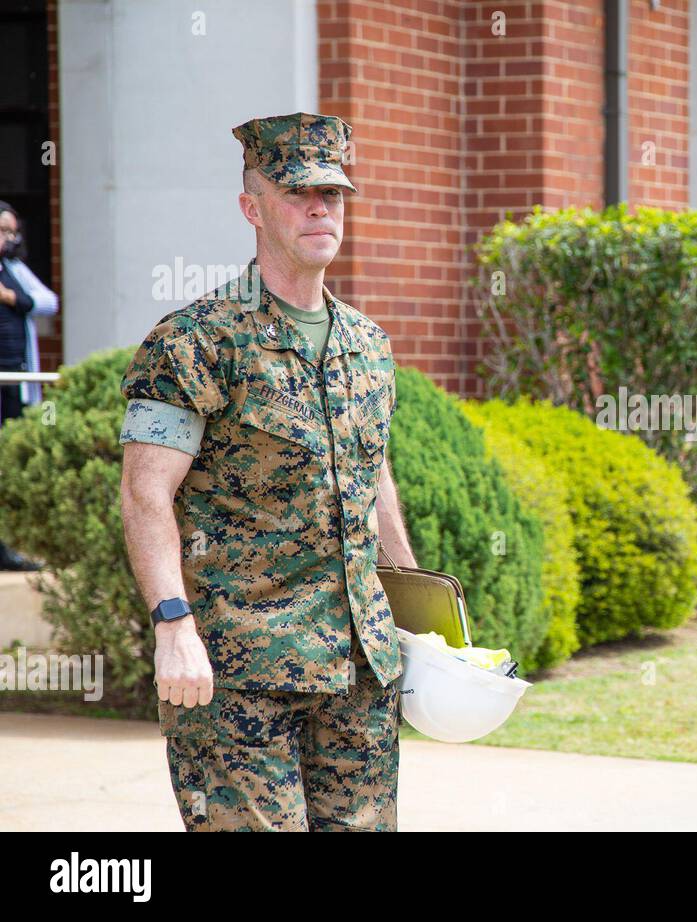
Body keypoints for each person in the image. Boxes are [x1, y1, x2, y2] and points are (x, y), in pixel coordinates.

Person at [118, 112, 418, 831]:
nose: (321, 207)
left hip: (358, 674)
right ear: (251, 206)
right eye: (297, 192)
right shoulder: (194, 342)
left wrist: (416, 620)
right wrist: (172, 626)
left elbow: (374, 480)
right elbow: (144, 491)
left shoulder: (367, 346)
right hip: (238, 678)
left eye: (335, 194)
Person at [0, 201, 58, 571]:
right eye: (3, 230)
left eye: (13, 232)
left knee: (9, 464)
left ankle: (10, 547)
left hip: (16, 380)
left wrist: (11, 298)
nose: (10, 238)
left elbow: (49, 302)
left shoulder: (13, 270)